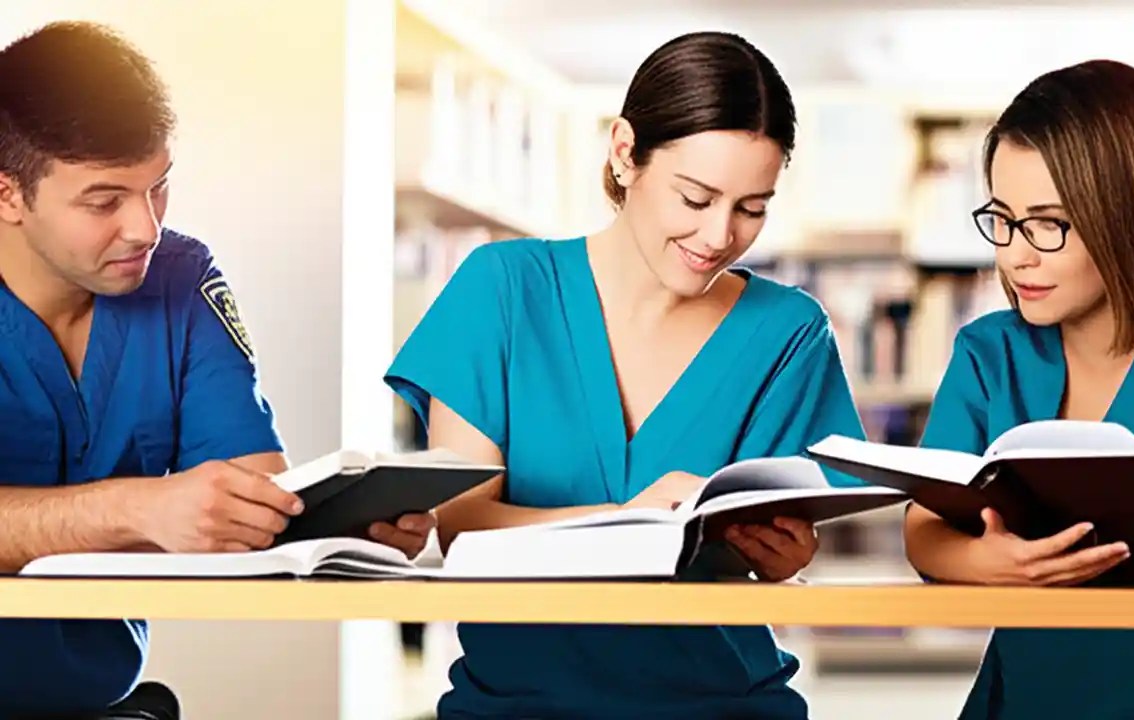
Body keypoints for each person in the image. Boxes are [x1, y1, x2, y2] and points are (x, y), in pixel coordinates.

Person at [385, 31, 865, 719]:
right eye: (695, 199)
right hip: (516, 707)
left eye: (752, 208)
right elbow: (464, 532)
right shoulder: (502, 291)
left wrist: (781, 553)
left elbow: (775, 546)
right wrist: (633, 520)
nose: (719, 236)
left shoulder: (789, 332)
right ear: (624, 152)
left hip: (726, 705)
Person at [903, 59, 1134, 718]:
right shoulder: (990, 351)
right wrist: (992, 563)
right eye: (1002, 218)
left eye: (1049, 224)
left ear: (1133, 216)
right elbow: (926, 530)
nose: (1017, 254)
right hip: (1032, 696)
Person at [0, 22, 312, 716]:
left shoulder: (181, 278)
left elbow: (252, 496)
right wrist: (132, 507)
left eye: (158, 188)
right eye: (104, 200)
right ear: (7, 194)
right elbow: (164, 512)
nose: (146, 227)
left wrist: (348, 520)